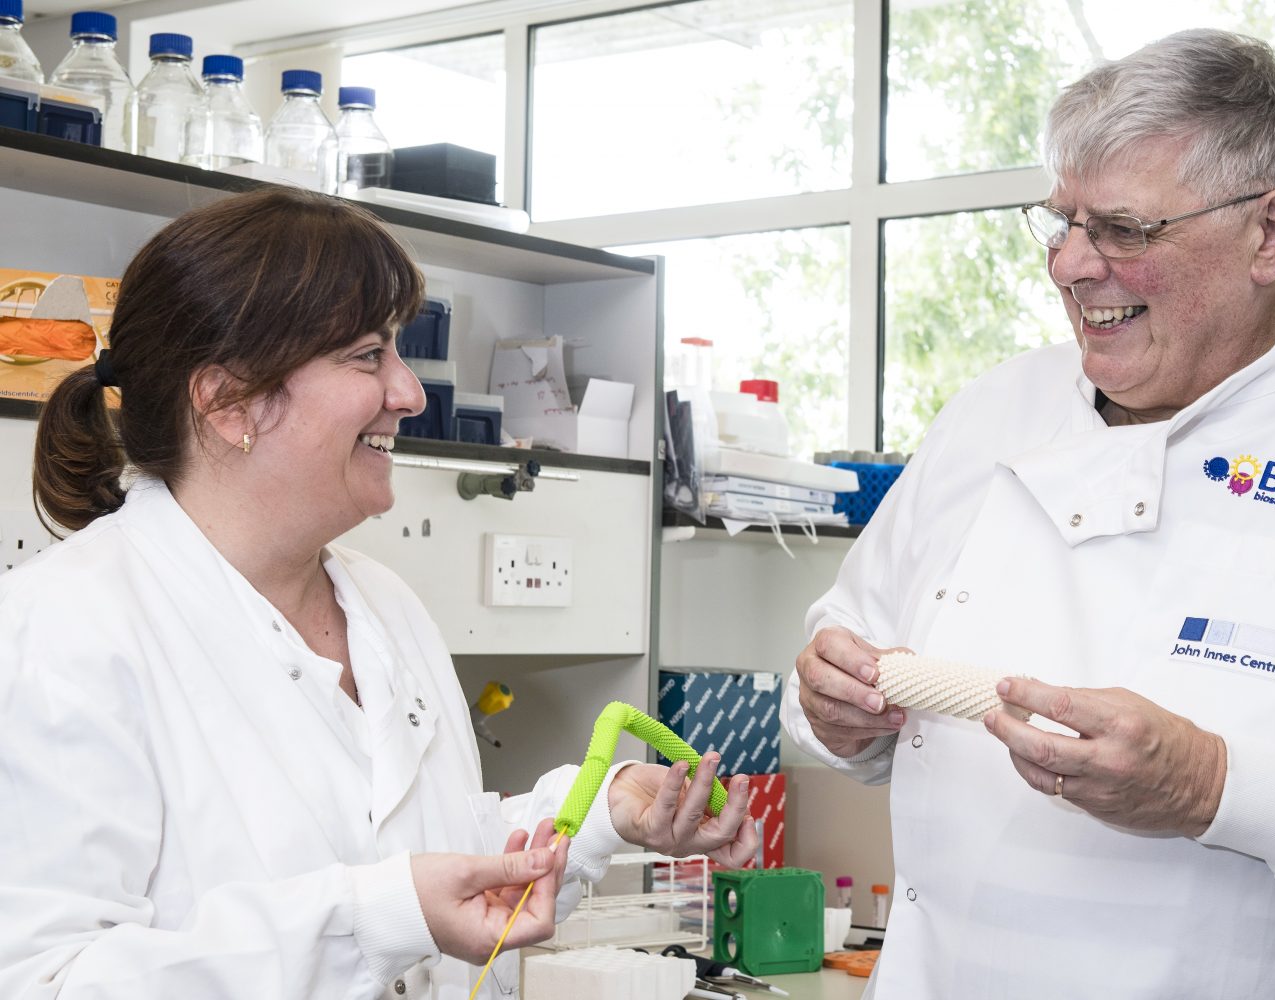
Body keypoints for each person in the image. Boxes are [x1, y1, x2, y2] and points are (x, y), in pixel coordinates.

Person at [785, 28, 1275, 1000]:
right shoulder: (993, 413)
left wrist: (1218, 785)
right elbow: (838, 665)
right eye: (1062, 222)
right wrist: (836, 707)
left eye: (1123, 229)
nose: (1070, 266)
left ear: (1271, 232)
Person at [0, 188, 758, 999]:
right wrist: (376, 917)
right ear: (228, 402)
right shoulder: (68, 628)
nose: (409, 392)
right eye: (368, 356)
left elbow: (426, 852)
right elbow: (47, 979)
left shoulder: (384, 604)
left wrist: (602, 814)